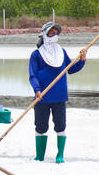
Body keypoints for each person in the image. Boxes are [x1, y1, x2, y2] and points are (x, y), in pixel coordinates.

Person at [28, 21, 87, 162]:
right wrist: (37, 90)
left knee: (60, 126)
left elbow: (71, 69)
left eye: (56, 32)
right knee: (41, 126)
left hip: (59, 96)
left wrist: (82, 60)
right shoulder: (36, 55)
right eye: (51, 32)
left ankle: (60, 156)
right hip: (42, 97)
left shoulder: (61, 52)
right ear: (44, 35)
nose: (54, 35)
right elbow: (33, 75)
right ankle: (39, 156)